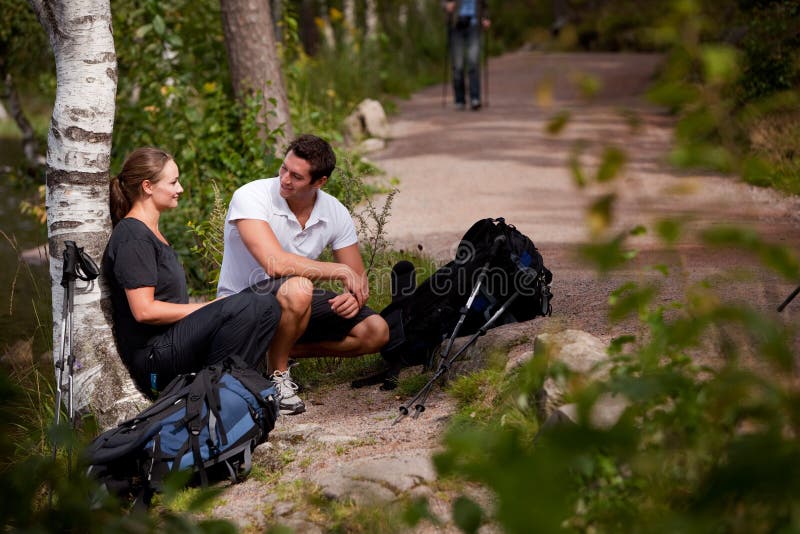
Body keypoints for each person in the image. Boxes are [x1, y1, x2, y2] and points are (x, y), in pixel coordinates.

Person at [217, 134, 390, 415]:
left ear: (319, 182)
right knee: (299, 287)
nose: (284, 179)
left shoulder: (334, 211)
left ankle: (269, 354)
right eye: (284, 168)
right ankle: (277, 379)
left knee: (376, 332)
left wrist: (353, 298)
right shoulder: (250, 196)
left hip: (293, 304)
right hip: (241, 307)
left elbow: (357, 278)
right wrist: (339, 271)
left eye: (296, 176)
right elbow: (274, 264)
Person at [104, 147, 282, 398]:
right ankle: (217, 394)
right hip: (155, 359)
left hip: (174, 342)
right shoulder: (132, 236)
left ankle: (232, 387)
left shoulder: (151, 233)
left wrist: (214, 308)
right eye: (173, 182)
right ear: (148, 186)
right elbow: (144, 311)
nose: (180, 189)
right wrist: (210, 308)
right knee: (248, 304)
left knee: (269, 302)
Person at [443, 0, 490, 111]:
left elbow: (484, 4)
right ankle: (460, 100)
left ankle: (475, 98)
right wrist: (446, 6)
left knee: (473, 62)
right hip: (456, 25)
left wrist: (485, 18)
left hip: (474, 25)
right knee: (457, 65)